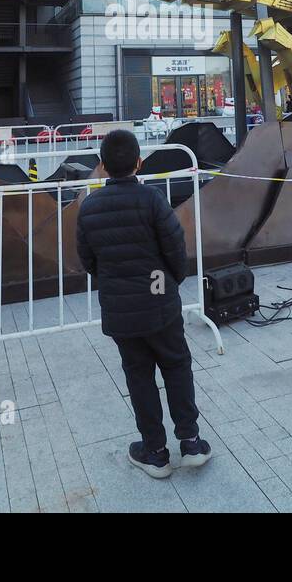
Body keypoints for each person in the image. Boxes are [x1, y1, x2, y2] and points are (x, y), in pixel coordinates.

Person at [75, 129, 211, 478]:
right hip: (161, 302)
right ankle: (191, 442)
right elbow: (176, 249)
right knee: (177, 366)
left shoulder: (88, 208)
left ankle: (154, 451)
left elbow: (88, 260)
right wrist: (168, 282)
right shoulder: (153, 200)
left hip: (122, 312)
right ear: (139, 162)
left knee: (139, 376)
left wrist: (115, 281)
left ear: (102, 166)